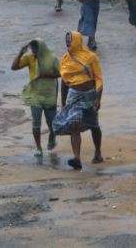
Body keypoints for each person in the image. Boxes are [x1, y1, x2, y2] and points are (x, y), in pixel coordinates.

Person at [52, 30, 103, 170]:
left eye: (70, 40)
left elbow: (98, 79)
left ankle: (98, 152)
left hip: (89, 94)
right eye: (66, 40)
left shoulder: (91, 57)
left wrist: (98, 99)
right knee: (74, 124)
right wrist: (63, 103)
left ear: (77, 40)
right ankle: (77, 158)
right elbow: (64, 82)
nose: (68, 42)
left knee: (93, 124)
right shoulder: (65, 59)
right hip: (73, 95)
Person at [10, 38, 60, 156]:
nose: (33, 51)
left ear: (42, 48)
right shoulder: (30, 58)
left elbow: (60, 73)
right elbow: (14, 67)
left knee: (53, 123)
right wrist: (21, 53)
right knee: (36, 123)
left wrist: (45, 75)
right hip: (35, 94)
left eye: (35, 49)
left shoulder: (52, 58)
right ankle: (38, 148)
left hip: (49, 94)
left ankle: (52, 138)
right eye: (32, 49)